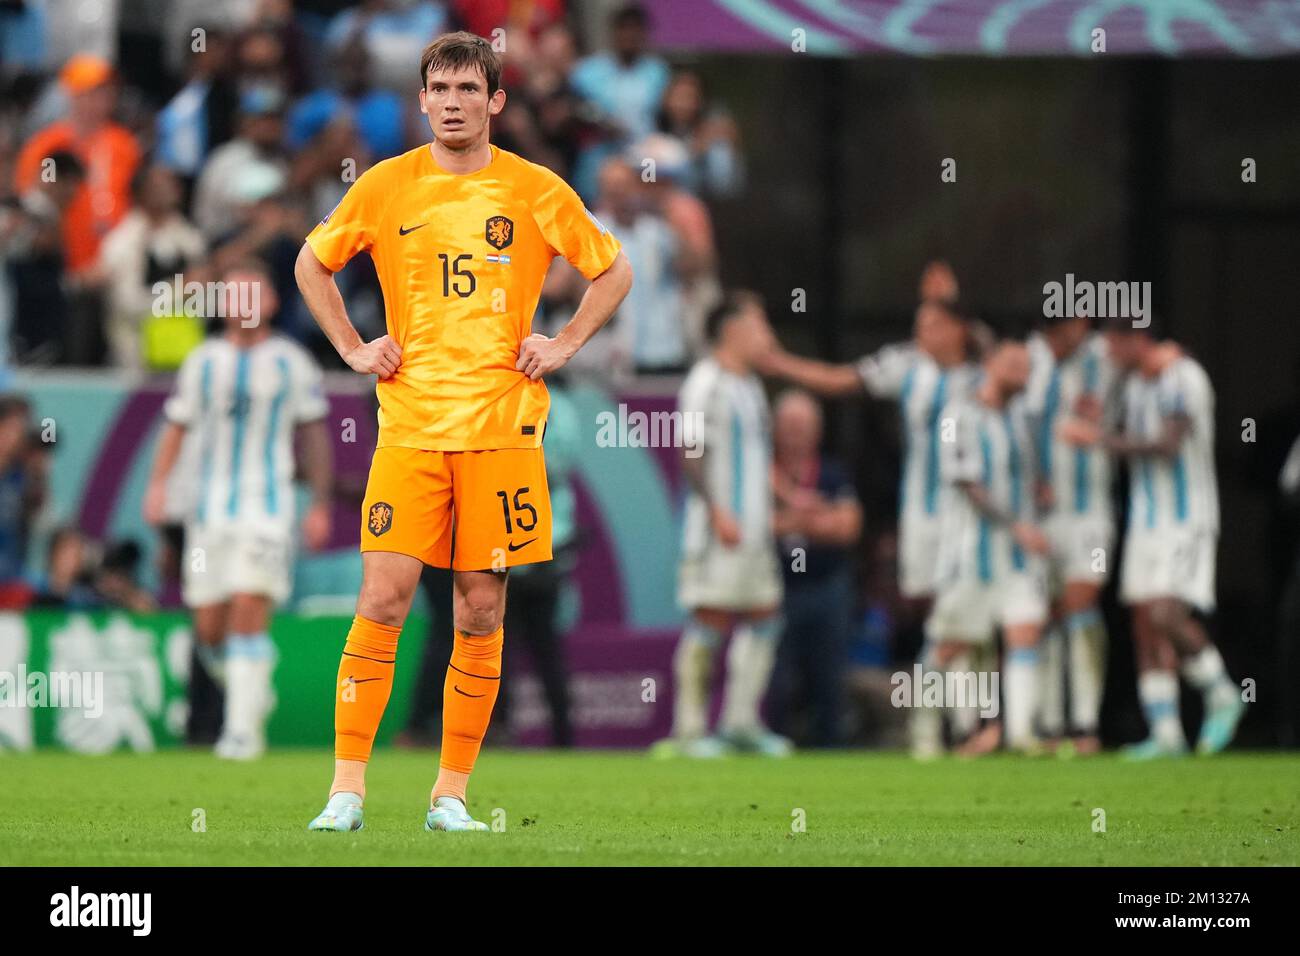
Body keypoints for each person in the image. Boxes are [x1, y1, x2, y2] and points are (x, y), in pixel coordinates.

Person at [295, 32, 631, 833]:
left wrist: (563, 343)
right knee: (382, 597)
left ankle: (449, 797)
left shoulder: (533, 189)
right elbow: (313, 264)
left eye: (467, 90)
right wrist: (351, 346)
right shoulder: (385, 185)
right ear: (421, 99)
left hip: (504, 433)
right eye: (439, 89)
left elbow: (613, 269)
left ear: (495, 102)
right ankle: (346, 792)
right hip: (409, 428)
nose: (452, 102)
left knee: (480, 611)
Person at [143, 258, 334, 760]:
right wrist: (158, 485)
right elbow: (176, 425)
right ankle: (252, 688)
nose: (243, 303)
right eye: (233, 294)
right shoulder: (201, 361)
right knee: (208, 626)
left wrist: (317, 503)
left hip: (267, 510)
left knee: (250, 606)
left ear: (271, 302)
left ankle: (241, 732)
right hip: (207, 514)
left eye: (253, 292)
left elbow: (313, 435)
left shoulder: (292, 361)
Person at [1065, 317, 1244, 757]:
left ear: (1136, 339)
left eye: (1112, 345)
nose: (1107, 355)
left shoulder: (1182, 375)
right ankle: (1165, 734)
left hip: (1186, 520)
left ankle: (1222, 691)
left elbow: (1167, 444)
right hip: (1145, 522)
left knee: (1166, 614)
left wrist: (1100, 440)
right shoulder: (1134, 385)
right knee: (1144, 625)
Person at [655, 292, 790, 758]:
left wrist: (789, 498)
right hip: (719, 528)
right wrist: (716, 511)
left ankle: (740, 723)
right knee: (710, 618)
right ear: (732, 331)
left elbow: (755, 458)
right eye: (757, 326)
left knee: (766, 616)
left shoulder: (750, 386)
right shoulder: (704, 382)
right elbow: (689, 452)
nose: (765, 336)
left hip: (755, 530)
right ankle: (689, 732)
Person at [920, 337, 1050, 755]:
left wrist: (1039, 494)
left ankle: (1021, 735)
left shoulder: (1019, 420)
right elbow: (968, 483)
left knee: (1024, 631)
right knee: (951, 643)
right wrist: (1017, 526)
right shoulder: (958, 414)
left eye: (1027, 366)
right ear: (990, 362)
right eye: (1014, 363)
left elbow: (1022, 476)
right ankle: (923, 728)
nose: (1023, 374)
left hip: (1015, 556)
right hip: (969, 553)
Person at [1023, 311, 1122, 754]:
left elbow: (1156, 358)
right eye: (1052, 330)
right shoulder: (1033, 360)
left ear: (1084, 324)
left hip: (1090, 512)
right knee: (1043, 614)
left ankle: (1085, 724)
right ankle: (1048, 724)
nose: (1059, 338)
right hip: (1041, 515)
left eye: (1066, 328)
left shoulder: (1108, 358)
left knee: (1081, 608)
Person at [768, 389, 862, 747]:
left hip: (827, 588)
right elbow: (754, 526)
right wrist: (811, 516)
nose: (796, 432)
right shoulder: (763, 471)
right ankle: (776, 747)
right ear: (776, 429)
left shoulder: (833, 473)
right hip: (778, 590)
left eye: (804, 425)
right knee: (775, 681)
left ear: (818, 430)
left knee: (829, 680)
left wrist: (791, 520)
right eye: (790, 424)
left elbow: (849, 527)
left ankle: (831, 749)